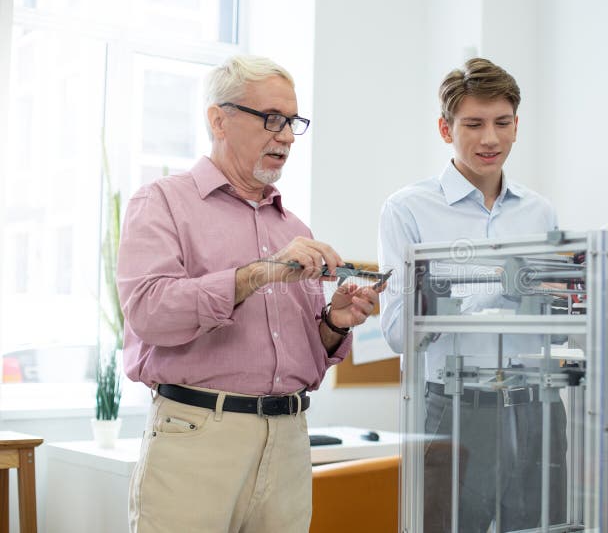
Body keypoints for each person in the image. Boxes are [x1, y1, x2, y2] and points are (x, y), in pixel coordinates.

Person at [117, 55, 381, 533]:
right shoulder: (162, 203)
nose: (285, 136)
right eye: (271, 119)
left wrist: (333, 324)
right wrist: (257, 275)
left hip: (288, 444)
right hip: (198, 439)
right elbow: (149, 313)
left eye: (292, 122)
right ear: (218, 119)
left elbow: (303, 353)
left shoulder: (295, 228)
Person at [378, 58, 567, 531]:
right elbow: (399, 333)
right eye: (474, 124)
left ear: (517, 126)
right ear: (445, 129)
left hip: (538, 405)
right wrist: (493, 293)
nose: (490, 139)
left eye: (502, 123)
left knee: (548, 526)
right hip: (455, 408)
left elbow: (556, 321)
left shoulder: (539, 212)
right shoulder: (408, 210)